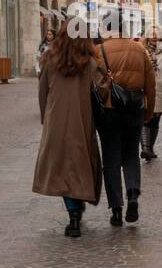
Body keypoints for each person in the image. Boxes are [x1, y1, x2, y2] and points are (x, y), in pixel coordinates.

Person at [32, 19, 102, 237]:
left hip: (56, 120)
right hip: (82, 119)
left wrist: (46, 117)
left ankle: (73, 212)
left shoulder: (50, 59)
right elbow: (100, 91)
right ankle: (77, 205)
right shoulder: (90, 63)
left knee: (62, 165)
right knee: (80, 163)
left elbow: (42, 91)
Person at [93, 25, 155, 225]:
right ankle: (133, 196)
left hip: (109, 110)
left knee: (110, 159)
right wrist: (149, 110)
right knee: (130, 155)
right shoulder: (139, 49)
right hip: (134, 108)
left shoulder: (99, 50)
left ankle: (117, 209)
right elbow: (150, 82)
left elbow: (92, 84)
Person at [140, 25, 162, 161]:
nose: (154, 38)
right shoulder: (141, 51)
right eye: (151, 35)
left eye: (156, 35)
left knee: (155, 120)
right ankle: (145, 148)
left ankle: (150, 147)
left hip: (159, 89)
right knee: (144, 119)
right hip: (143, 89)